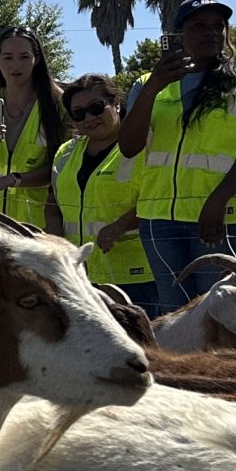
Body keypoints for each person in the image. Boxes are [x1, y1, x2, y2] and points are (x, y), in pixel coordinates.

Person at [116, 0, 236, 312]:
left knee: (223, 314)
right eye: (198, 26)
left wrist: (216, 202)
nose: (211, 33)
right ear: (177, 35)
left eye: (218, 26)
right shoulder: (146, 84)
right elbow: (129, 147)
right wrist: (152, 88)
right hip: (160, 220)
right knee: (175, 313)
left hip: (222, 218)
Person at [45, 74, 155, 307]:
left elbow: (156, 200)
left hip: (137, 275)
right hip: (80, 276)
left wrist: (120, 226)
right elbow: (53, 201)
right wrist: (54, 239)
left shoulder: (143, 146)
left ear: (116, 103)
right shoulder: (65, 153)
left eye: (96, 108)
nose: (89, 118)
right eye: (78, 114)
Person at [0, 27, 65, 230]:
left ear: (36, 60)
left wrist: (13, 180)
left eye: (24, 57)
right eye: (8, 57)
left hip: (35, 227)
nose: (16, 65)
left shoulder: (58, 105)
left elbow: (61, 170)